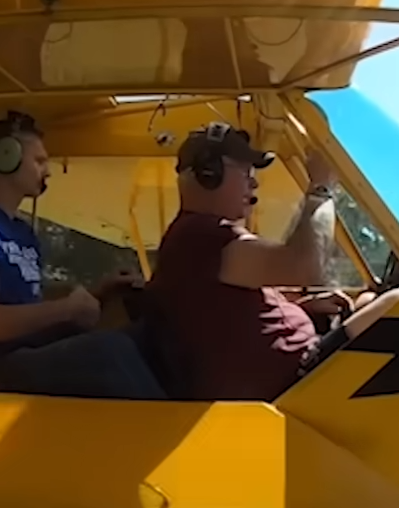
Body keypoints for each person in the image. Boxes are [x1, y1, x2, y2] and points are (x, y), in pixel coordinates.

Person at [0, 110, 165, 399]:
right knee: (109, 350)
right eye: (39, 161)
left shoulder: (24, 232)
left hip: (30, 348)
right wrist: (67, 309)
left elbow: (29, 307)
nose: (48, 172)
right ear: (6, 157)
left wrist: (98, 293)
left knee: (144, 336)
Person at [144, 121, 371, 401]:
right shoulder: (201, 236)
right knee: (395, 300)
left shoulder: (194, 239)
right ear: (208, 173)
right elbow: (304, 266)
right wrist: (320, 189)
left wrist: (299, 307)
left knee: (367, 302)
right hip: (295, 383)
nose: (254, 183)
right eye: (246, 172)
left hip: (295, 372)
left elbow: (226, 314)